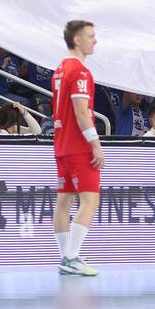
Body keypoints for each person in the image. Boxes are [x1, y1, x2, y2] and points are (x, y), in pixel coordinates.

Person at [51, 20, 103, 277]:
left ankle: (66, 257)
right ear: (77, 40)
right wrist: (95, 144)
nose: (95, 41)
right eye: (91, 36)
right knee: (90, 199)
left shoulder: (60, 69)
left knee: (64, 201)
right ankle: (71, 257)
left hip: (61, 144)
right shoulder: (80, 72)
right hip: (78, 144)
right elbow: (82, 112)